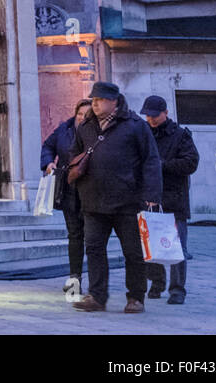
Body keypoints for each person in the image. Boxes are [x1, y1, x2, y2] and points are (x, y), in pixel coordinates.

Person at [70, 81, 163, 314]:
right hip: (93, 200)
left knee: (132, 252)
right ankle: (97, 296)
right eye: (93, 99)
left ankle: (135, 297)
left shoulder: (135, 126)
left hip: (127, 201)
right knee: (94, 249)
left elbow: (150, 161)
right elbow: (74, 155)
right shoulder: (86, 126)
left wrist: (151, 195)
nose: (96, 103)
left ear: (114, 101)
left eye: (100, 99)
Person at [140, 95, 198, 304]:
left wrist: (162, 165)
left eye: (155, 115)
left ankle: (177, 290)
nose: (151, 119)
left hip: (174, 199)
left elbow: (191, 162)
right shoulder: (144, 133)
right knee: (149, 245)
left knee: (178, 247)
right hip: (148, 198)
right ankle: (156, 282)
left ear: (165, 113)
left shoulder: (181, 135)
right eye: (148, 116)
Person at [41, 98, 93, 300]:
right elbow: (48, 146)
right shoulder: (64, 129)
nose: (82, 118)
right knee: (74, 236)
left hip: (92, 191)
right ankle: (74, 280)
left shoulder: (98, 133)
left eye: (86, 115)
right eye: (80, 114)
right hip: (69, 191)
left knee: (93, 238)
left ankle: (96, 282)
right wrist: (48, 163)